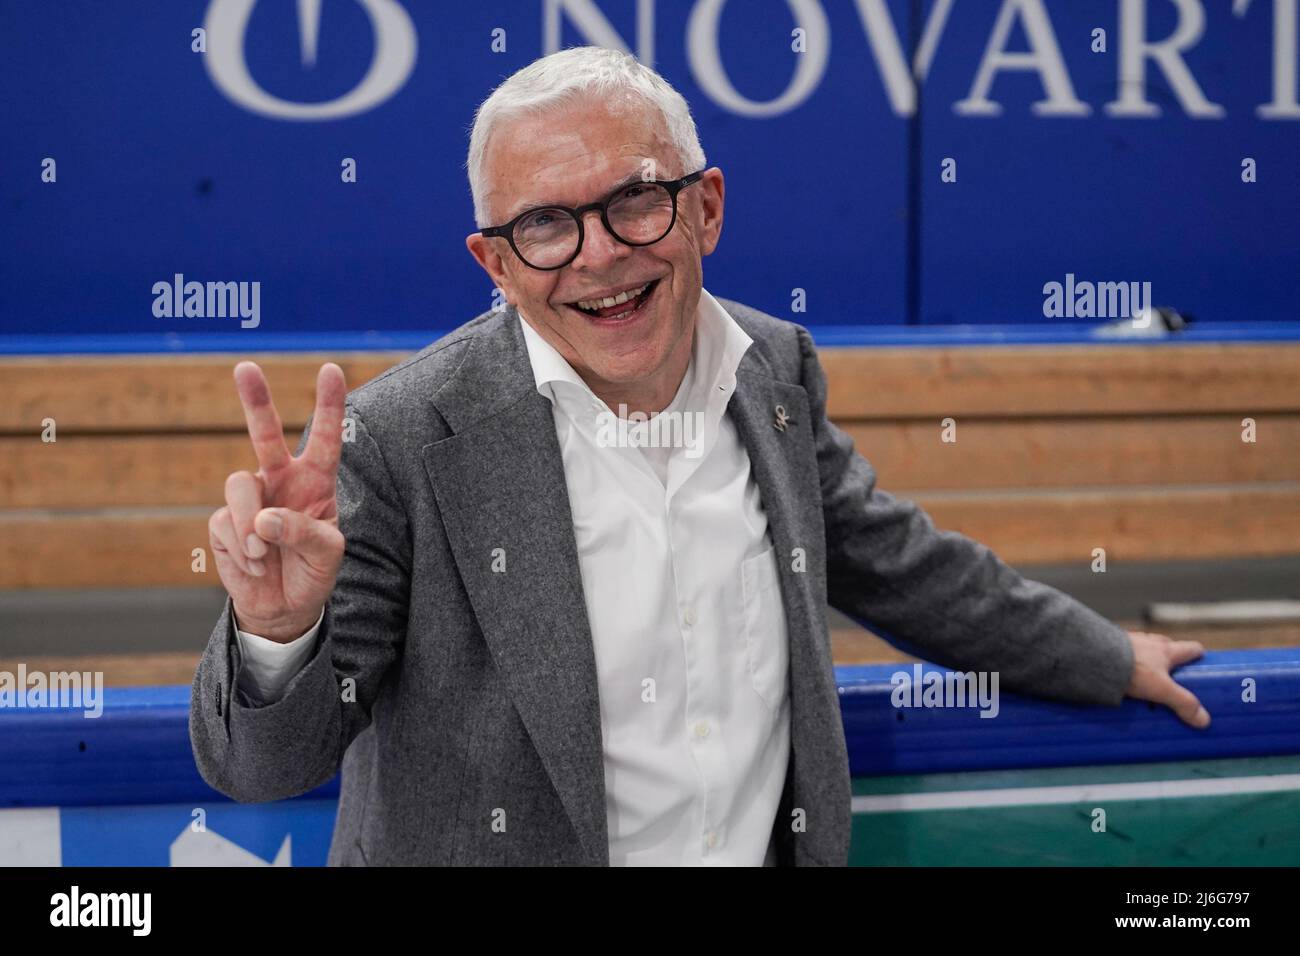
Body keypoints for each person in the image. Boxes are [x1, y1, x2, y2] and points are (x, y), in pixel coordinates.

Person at [189, 46, 1209, 867]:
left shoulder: (775, 369)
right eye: (543, 224)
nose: (598, 253)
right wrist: (277, 631)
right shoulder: (406, 437)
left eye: (635, 200)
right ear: (494, 263)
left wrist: (1105, 656)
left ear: (706, 206)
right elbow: (262, 770)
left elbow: (897, 561)